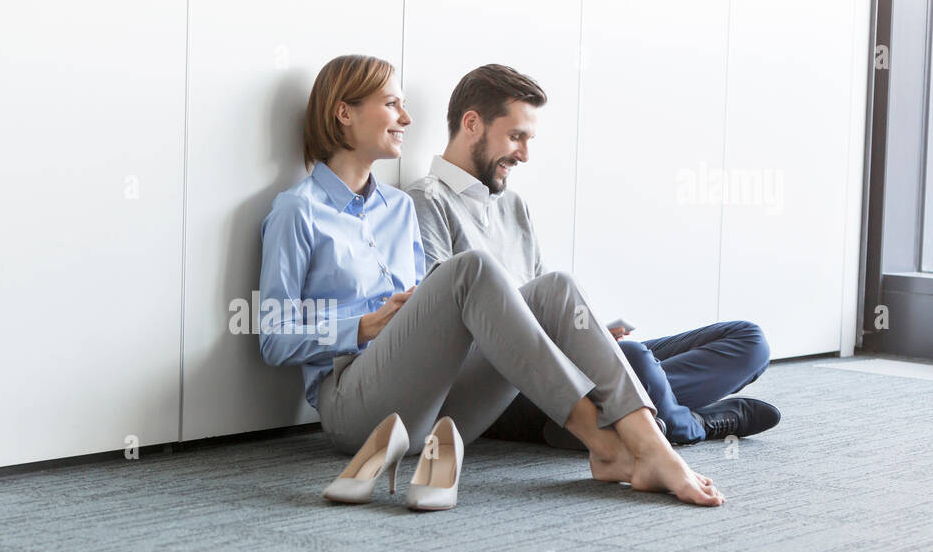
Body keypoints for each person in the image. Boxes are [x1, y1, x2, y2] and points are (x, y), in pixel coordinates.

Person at [257, 54, 724, 506]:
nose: (407, 117)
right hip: (355, 409)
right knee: (472, 267)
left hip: (435, 405)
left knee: (555, 288)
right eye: (391, 104)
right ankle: (604, 445)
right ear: (344, 113)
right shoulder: (297, 212)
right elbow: (273, 337)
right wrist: (363, 326)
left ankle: (653, 449)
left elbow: (438, 316)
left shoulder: (398, 209)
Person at [405, 64, 780, 449]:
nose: (526, 154)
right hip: (511, 384)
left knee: (748, 340)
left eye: (529, 139)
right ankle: (692, 423)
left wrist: (589, 332)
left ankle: (643, 413)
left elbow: (545, 296)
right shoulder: (425, 202)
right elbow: (442, 331)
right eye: (516, 137)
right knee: (635, 360)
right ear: (472, 124)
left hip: (563, 355)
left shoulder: (514, 205)